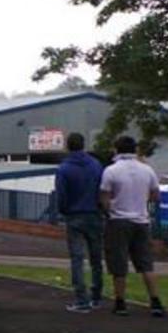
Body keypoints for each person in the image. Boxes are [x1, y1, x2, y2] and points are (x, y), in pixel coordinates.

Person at [100, 136, 165, 317]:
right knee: (146, 264)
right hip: (141, 220)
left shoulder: (111, 171)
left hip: (118, 220)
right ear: (135, 150)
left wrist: (110, 210)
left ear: (116, 149)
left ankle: (120, 303)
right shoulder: (147, 170)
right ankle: (155, 302)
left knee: (119, 263)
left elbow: (104, 197)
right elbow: (156, 196)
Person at [56, 132, 105, 313]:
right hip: (94, 213)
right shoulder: (95, 165)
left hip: (74, 215)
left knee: (77, 259)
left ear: (68, 146)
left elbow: (61, 195)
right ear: (83, 145)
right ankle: (97, 296)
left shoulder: (64, 168)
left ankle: (81, 298)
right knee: (96, 258)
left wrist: (64, 210)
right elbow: (102, 188)